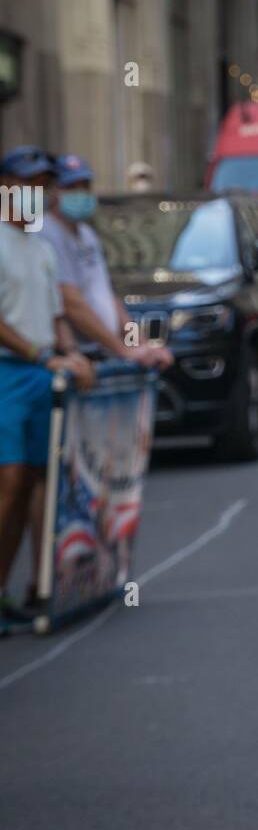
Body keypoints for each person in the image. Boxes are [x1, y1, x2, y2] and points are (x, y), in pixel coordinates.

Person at [0, 147, 94, 625]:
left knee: (37, 480)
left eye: (43, 185)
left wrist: (70, 353)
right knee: (11, 481)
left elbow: (57, 316)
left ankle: (22, 590)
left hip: (41, 374)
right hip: (8, 374)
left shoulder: (39, 247)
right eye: (26, 183)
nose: (36, 193)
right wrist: (39, 353)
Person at [39, 154, 173, 369]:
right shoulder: (47, 233)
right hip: (79, 357)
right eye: (71, 187)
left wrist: (139, 344)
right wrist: (122, 350)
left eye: (85, 186)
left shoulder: (86, 233)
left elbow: (107, 297)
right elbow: (71, 303)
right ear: (54, 191)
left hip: (102, 351)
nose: (80, 193)